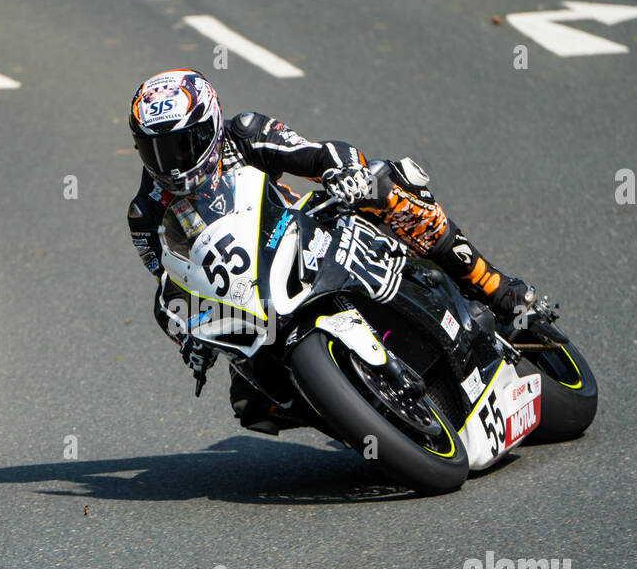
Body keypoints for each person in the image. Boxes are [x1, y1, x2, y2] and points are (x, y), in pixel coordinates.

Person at [126, 68, 535, 431]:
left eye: (182, 145)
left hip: (306, 232)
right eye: (155, 150)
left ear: (211, 127)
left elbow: (318, 153)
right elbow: (173, 287)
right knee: (253, 404)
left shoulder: (244, 134)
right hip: (253, 300)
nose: (171, 163)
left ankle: (491, 284)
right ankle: (359, 415)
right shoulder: (146, 213)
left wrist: (344, 171)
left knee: (382, 186)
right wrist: (189, 336)